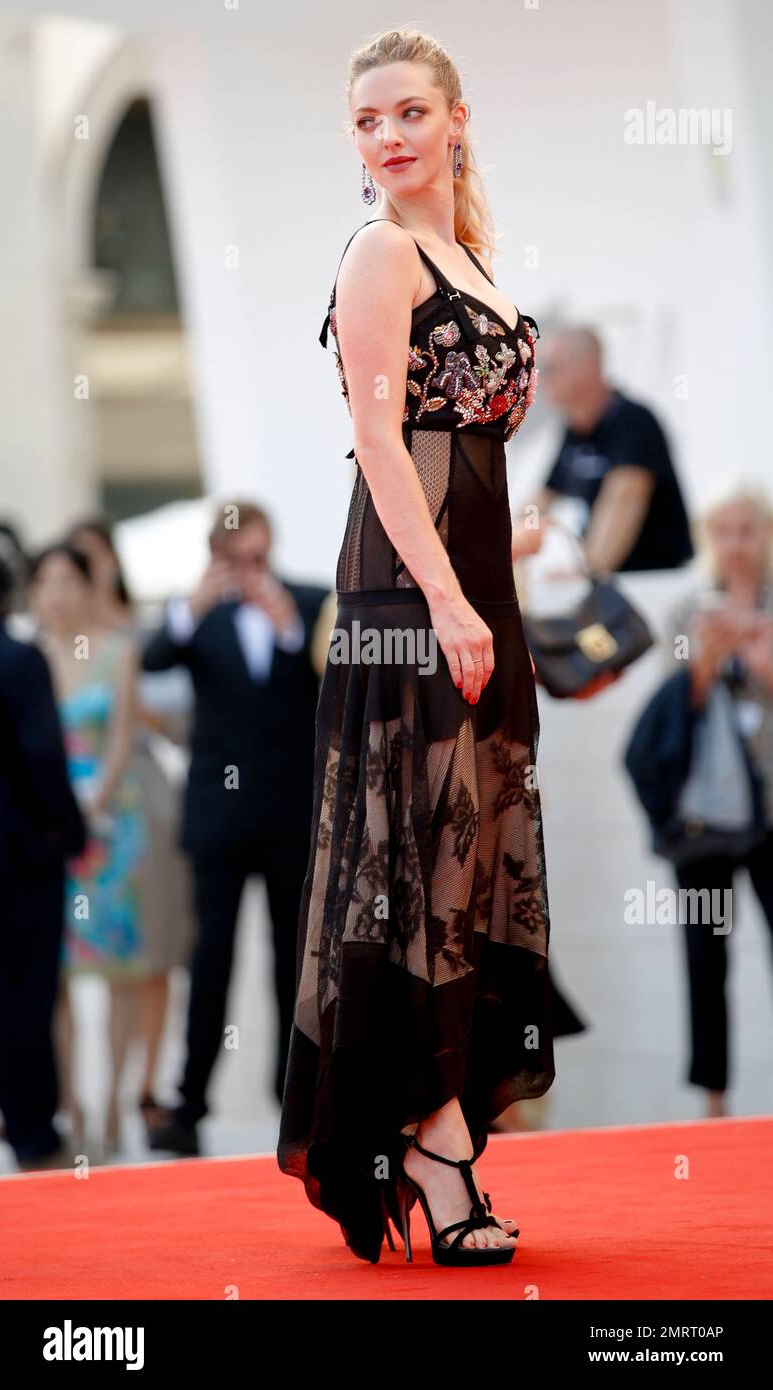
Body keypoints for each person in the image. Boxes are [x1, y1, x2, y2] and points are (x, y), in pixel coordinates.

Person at [276, 28, 555, 1268]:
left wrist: (507, 550)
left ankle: (435, 1119)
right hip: (408, 593)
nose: (386, 137)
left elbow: (470, 450)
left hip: (470, 577)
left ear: (455, 120)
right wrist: (446, 599)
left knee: (476, 849)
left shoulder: (470, 256)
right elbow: (383, 445)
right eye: (365, 120)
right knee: (417, 862)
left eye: (406, 113)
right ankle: (433, 1144)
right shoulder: (380, 251)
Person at [141, 502, 328, 1155]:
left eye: (256, 558)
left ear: (271, 548)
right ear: (214, 556)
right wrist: (191, 606)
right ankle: (189, 1105)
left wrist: (285, 632)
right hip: (219, 823)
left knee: (293, 962)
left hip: (290, 817)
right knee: (210, 960)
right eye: (233, 560)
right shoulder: (195, 615)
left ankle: (295, 1102)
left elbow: (339, 677)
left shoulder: (309, 602)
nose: (247, 572)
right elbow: (151, 659)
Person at [67, 517, 193, 1143]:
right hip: (76, 805)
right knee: (85, 957)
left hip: (143, 793)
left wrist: (138, 711)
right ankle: (86, 1097)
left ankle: (144, 1083)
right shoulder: (53, 641)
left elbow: (182, 725)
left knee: (155, 949)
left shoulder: (144, 637)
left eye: (92, 559)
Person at [28, 543, 150, 1156]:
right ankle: (68, 1104)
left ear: (86, 586)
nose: (56, 593)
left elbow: (123, 738)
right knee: (55, 976)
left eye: (66, 580)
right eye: (43, 582)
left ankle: (113, 1104)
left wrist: (92, 805)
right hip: (45, 832)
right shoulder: (27, 659)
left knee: (121, 972)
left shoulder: (117, 652)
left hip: (110, 825)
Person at [658, 484, 773, 1118]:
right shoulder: (687, 611)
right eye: (724, 530)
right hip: (704, 815)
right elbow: (674, 710)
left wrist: (756, 649)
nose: (735, 543)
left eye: (747, 529)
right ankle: (714, 1101)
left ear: (765, 534)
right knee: (705, 956)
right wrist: (706, 659)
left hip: (769, 809)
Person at [0, 552, 86, 1169]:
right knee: (26, 991)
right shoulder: (20, 660)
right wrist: (70, 831)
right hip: (19, 855)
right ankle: (32, 1129)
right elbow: (43, 758)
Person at [522, 326, 693, 573]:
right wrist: (504, 552)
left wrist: (588, 571)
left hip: (656, 581)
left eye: (551, 368)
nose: (540, 378)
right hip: (615, 584)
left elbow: (624, 498)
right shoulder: (575, 431)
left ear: (587, 366)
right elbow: (539, 502)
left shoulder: (633, 421)